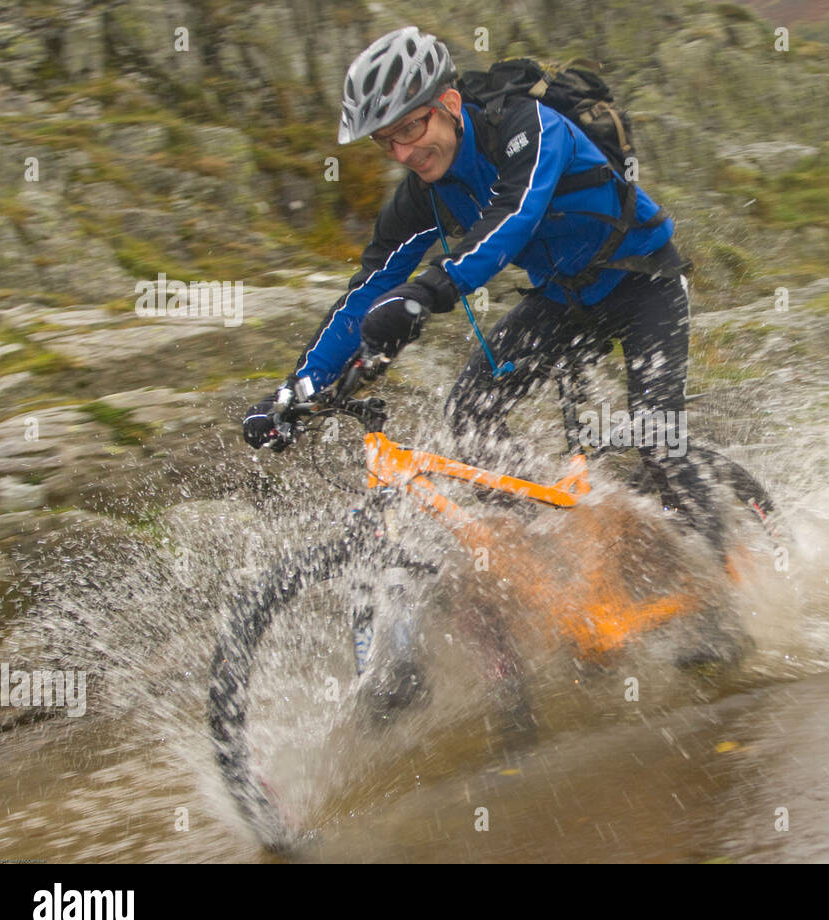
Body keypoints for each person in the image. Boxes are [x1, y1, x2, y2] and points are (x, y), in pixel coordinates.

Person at [242, 26, 728, 562]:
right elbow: (370, 287)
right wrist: (297, 390)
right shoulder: (424, 194)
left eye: (410, 127)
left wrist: (431, 290)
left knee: (661, 443)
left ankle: (725, 585)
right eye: (386, 141)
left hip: (644, 283)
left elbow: (515, 215)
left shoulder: (528, 124)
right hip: (563, 301)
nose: (403, 152)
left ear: (448, 103)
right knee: (469, 417)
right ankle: (551, 551)